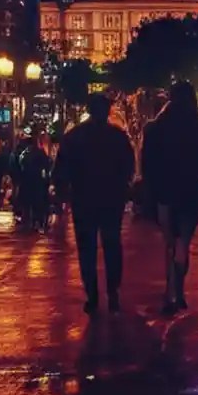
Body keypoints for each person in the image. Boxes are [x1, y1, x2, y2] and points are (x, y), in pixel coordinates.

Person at [53, 94, 136, 314]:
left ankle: (93, 295)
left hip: (84, 198)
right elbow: (129, 166)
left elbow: (61, 169)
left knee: (87, 248)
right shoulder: (117, 137)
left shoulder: (74, 137)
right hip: (110, 198)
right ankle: (112, 292)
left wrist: (64, 191)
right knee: (111, 245)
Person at [142, 81, 198, 314]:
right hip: (191, 190)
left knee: (169, 241)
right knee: (184, 241)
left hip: (165, 190)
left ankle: (170, 291)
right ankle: (178, 291)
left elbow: (147, 164)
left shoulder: (155, 127)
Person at [16, 132, 54, 232]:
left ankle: (30, 222)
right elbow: (47, 165)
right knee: (38, 203)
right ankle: (37, 221)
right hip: (37, 183)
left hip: (28, 182)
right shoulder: (39, 154)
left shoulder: (26, 154)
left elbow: (21, 166)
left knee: (29, 204)